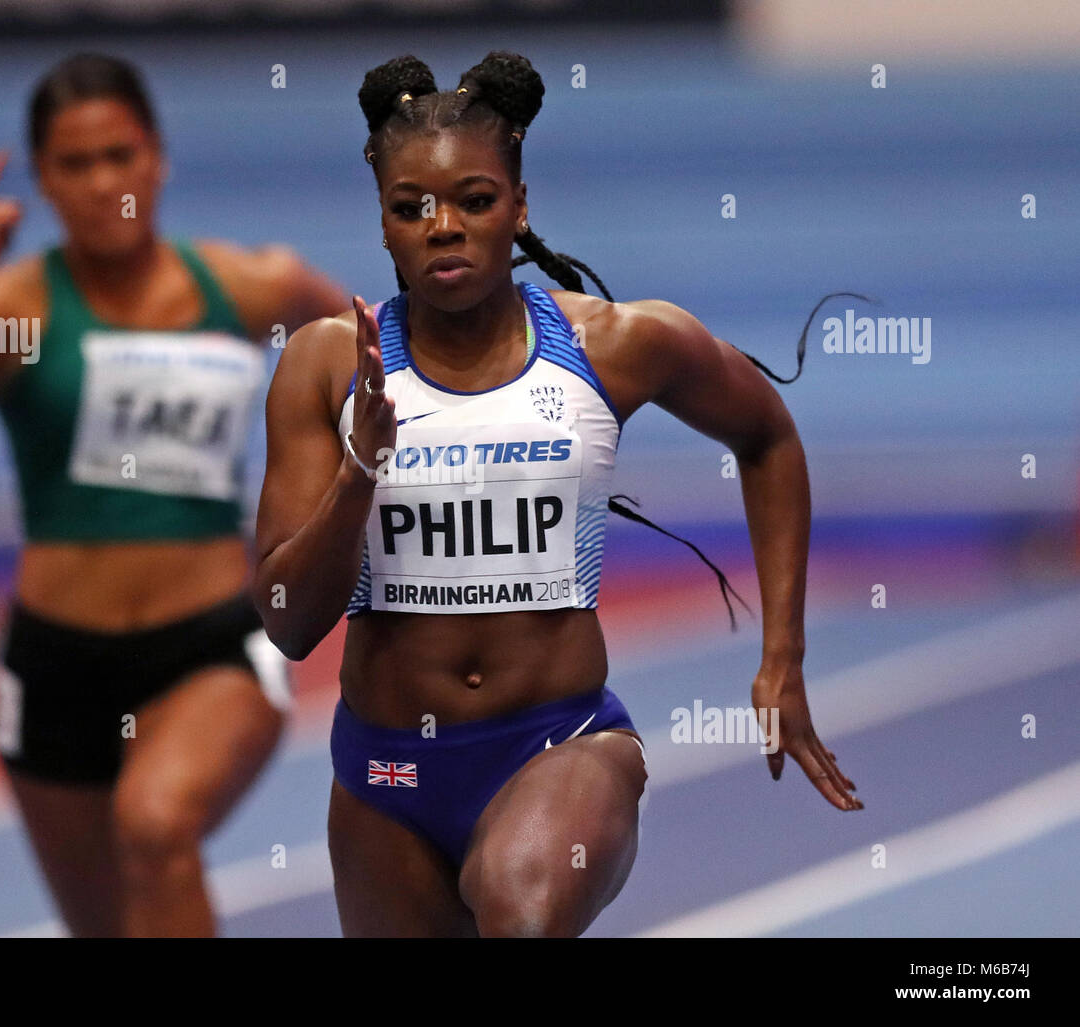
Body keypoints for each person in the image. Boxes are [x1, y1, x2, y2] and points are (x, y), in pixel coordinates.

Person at [253, 51, 862, 938]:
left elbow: (765, 435)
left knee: (522, 912)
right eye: (411, 207)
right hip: (385, 775)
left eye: (475, 199)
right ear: (383, 225)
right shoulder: (324, 367)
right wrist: (359, 472)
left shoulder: (615, 345)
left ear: (521, 206)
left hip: (559, 745)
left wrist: (782, 658)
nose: (444, 226)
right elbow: (287, 620)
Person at [0, 53, 349, 937]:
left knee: (156, 824)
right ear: (44, 181)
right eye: (75, 164)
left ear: (157, 158)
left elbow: (376, 364)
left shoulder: (252, 287)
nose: (104, 184)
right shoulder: (18, 306)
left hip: (209, 647)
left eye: (120, 156)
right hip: (55, 664)